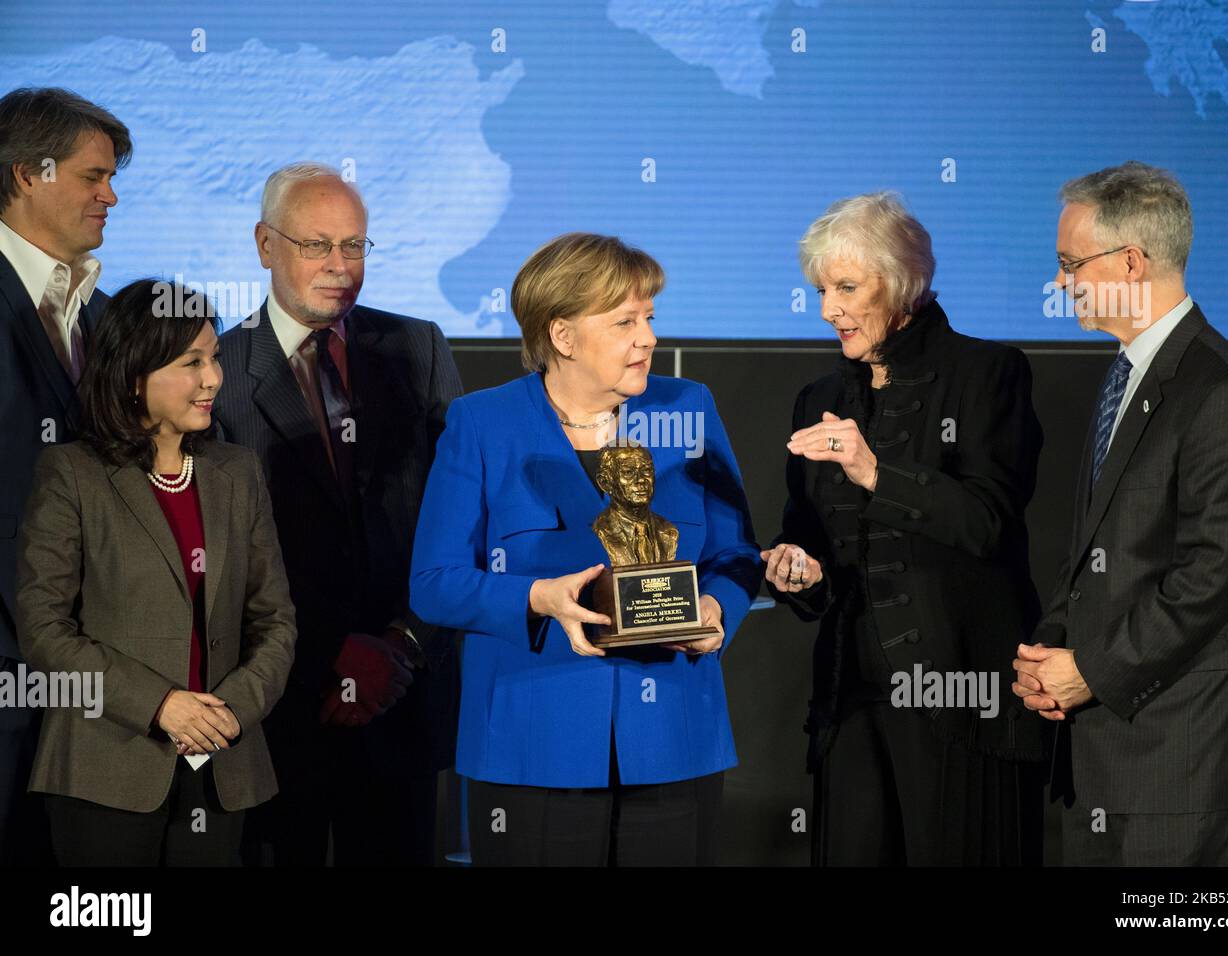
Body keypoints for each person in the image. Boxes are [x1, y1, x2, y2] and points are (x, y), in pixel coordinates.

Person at [409, 232, 761, 866]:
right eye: (625, 321)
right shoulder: (482, 423)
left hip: (675, 738)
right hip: (532, 746)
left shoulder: (689, 408)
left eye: (649, 317)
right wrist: (538, 597)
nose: (647, 337)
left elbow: (737, 554)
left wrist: (716, 613)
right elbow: (434, 581)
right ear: (563, 336)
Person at [765, 192, 1049, 866]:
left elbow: (985, 521)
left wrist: (874, 472)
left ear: (901, 282)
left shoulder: (988, 374)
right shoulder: (820, 399)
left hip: (959, 703)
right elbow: (807, 536)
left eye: (846, 287)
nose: (828, 307)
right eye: (821, 289)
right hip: (850, 702)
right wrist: (797, 572)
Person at [1012, 162, 1228, 865]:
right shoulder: (1127, 373)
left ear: (1131, 262)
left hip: (1179, 769)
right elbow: (1102, 555)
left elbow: (1210, 580)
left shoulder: (1219, 392)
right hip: (1102, 758)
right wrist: (1049, 652)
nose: (1062, 281)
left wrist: (1089, 671)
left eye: (1071, 263)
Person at [213, 162, 463, 865]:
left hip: (404, 701)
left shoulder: (420, 347)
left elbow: (460, 518)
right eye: (316, 245)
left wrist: (401, 647)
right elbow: (219, 561)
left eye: (354, 246)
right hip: (278, 711)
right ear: (265, 246)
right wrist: (332, 659)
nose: (340, 265)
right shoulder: (217, 372)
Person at [15, 279, 296, 866]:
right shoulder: (73, 472)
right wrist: (160, 705)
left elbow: (275, 622)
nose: (213, 378)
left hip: (222, 767)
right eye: (192, 362)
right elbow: (44, 630)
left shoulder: (237, 472)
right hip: (105, 768)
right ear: (133, 373)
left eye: (214, 358)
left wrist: (228, 714)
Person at [0, 86, 131, 866]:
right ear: (25, 172)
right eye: (92, 177)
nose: (110, 196)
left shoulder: (105, 314)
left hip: (94, 683)